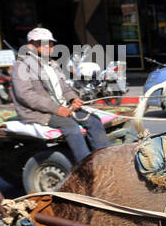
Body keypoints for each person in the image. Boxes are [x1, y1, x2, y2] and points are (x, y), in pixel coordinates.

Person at [9, 27, 111, 165]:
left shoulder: (52, 64)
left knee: (94, 121)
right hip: (39, 112)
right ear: (31, 45)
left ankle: (106, 160)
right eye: (42, 43)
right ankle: (86, 167)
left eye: (50, 44)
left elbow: (64, 87)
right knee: (72, 128)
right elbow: (26, 96)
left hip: (63, 107)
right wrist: (56, 109)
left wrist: (72, 98)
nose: (47, 47)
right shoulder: (21, 66)